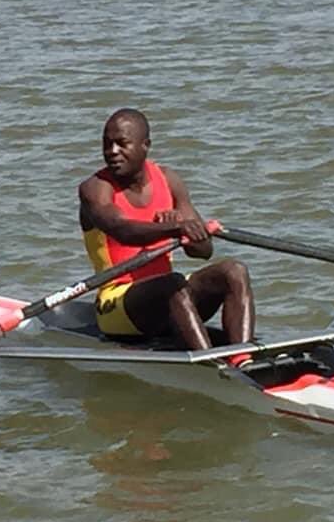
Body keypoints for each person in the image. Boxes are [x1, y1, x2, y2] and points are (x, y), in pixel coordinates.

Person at [78, 108, 255, 364]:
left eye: (122, 143)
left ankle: (243, 358)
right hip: (117, 304)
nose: (112, 151)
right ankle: (213, 367)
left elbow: (203, 251)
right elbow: (122, 231)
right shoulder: (94, 189)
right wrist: (174, 229)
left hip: (168, 296)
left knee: (233, 271)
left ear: (145, 145)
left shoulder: (169, 180)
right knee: (172, 284)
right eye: (107, 144)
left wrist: (187, 229)